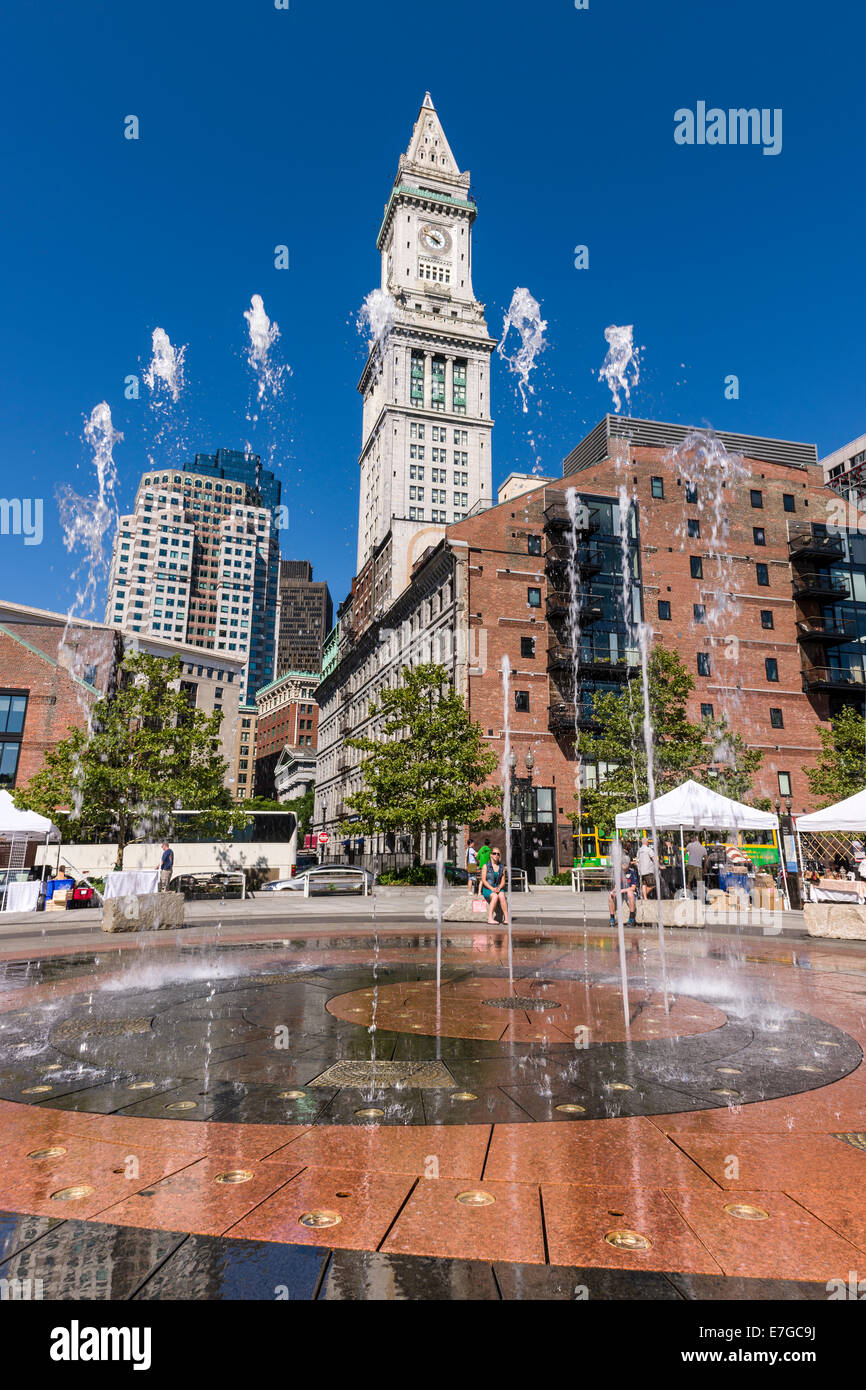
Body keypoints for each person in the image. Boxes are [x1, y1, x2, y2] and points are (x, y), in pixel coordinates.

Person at [480, 847, 509, 925]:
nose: (496, 855)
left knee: (502, 895)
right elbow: (483, 880)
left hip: (497, 887)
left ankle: (506, 918)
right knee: (495, 896)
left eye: (498, 854)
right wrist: (492, 888)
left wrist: (499, 887)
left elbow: (503, 881)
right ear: (491, 855)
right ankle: (490, 918)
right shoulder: (485, 866)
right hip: (488, 888)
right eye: (494, 853)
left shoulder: (502, 867)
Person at [609, 856, 638, 927]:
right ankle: (612, 918)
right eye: (622, 863)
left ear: (628, 864)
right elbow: (616, 886)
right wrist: (614, 891)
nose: (624, 865)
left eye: (625, 863)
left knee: (630, 893)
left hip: (630, 893)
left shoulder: (632, 872)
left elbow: (633, 888)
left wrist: (622, 890)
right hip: (621, 893)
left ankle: (631, 918)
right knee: (610, 896)